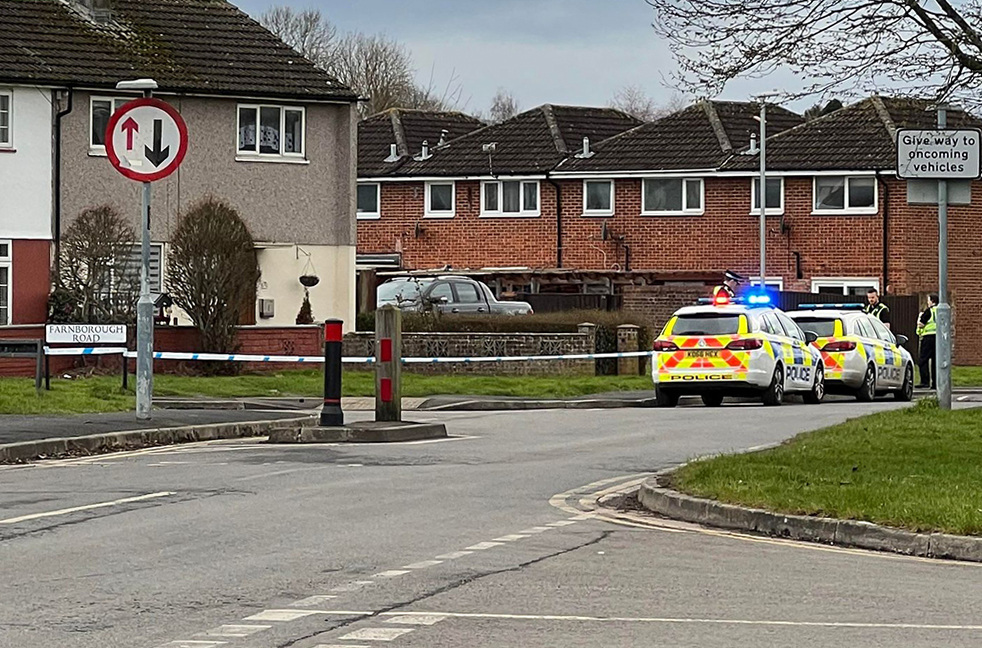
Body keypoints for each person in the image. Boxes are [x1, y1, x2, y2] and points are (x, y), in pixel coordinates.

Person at [916, 293, 938, 389]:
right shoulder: (940, 310)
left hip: (928, 338)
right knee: (935, 361)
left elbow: (921, 324)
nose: (927, 302)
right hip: (938, 339)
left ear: (932, 301)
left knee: (922, 360)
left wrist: (919, 318)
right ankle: (935, 383)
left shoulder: (929, 311)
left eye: (928, 300)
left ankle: (925, 382)